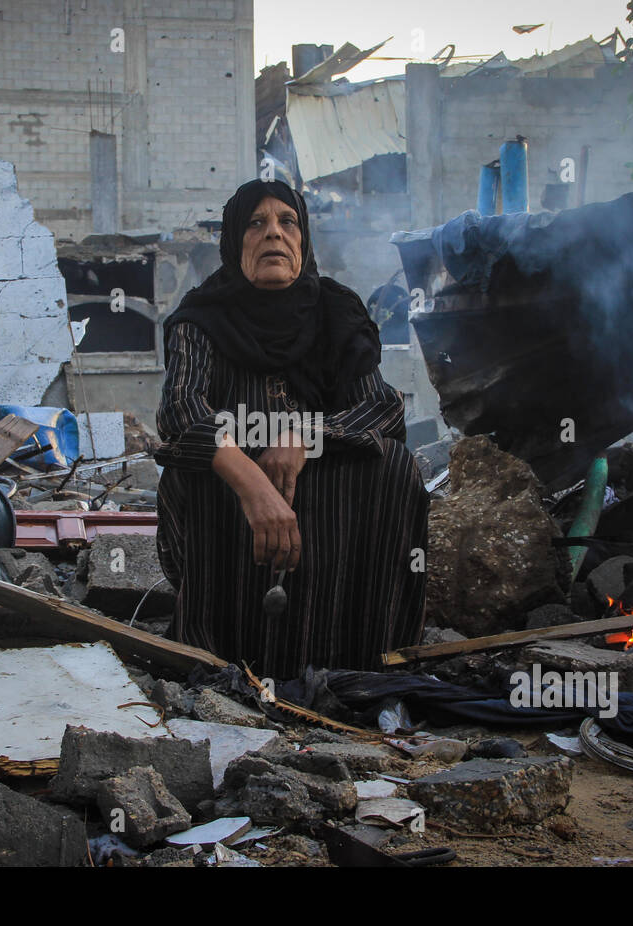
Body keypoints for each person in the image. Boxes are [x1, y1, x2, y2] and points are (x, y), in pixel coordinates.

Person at [155, 179, 428, 679]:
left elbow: (382, 409)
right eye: (256, 224)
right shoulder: (201, 317)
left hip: (320, 479)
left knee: (394, 466)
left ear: (303, 242)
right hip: (231, 489)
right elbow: (179, 411)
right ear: (235, 241)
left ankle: (363, 662)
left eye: (288, 222)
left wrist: (306, 434)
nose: (274, 234)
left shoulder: (337, 311)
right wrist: (252, 482)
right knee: (189, 471)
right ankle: (218, 664)